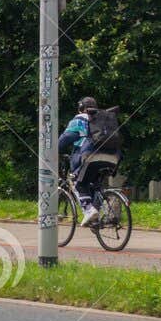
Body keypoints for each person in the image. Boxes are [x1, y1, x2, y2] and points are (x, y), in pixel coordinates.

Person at [58, 96, 102, 225]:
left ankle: (89, 210)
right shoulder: (102, 119)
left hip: (87, 156)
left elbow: (65, 139)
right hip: (109, 156)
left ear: (80, 108)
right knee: (94, 184)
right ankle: (99, 214)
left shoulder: (78, 121)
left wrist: (52, 151)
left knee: (76, 181)